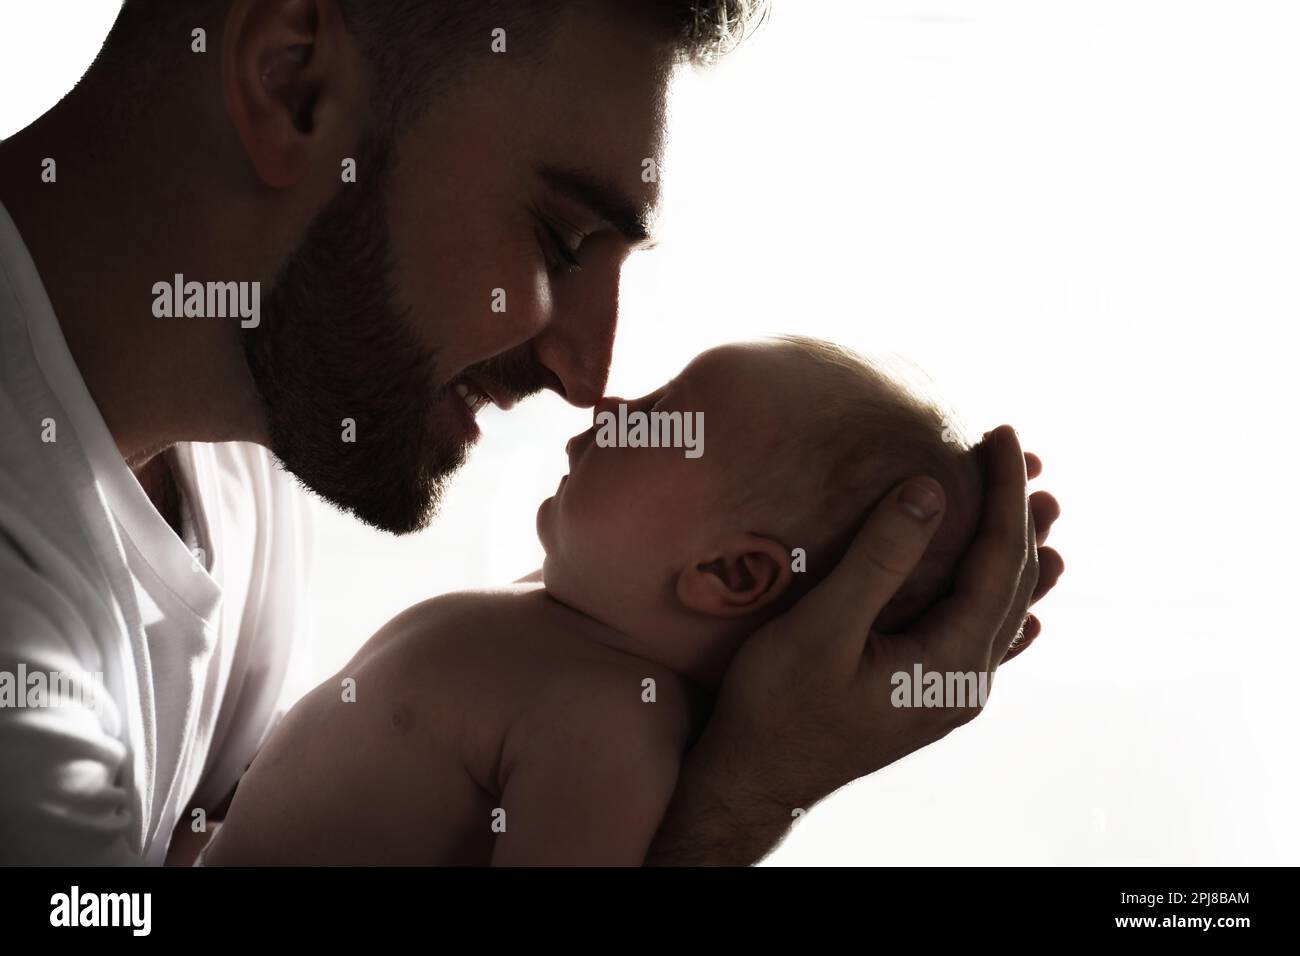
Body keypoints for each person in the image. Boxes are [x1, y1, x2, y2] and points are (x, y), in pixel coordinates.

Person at [0, 0, 1062, 866]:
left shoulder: (234, 447)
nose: (587, 377)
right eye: (557, 235)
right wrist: (738, 801)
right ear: (292, 84)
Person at [203, 337, 989, 865]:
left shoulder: (610, 727)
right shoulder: (561, 626)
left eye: (660, 417)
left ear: (730, 576)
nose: (611, 408)